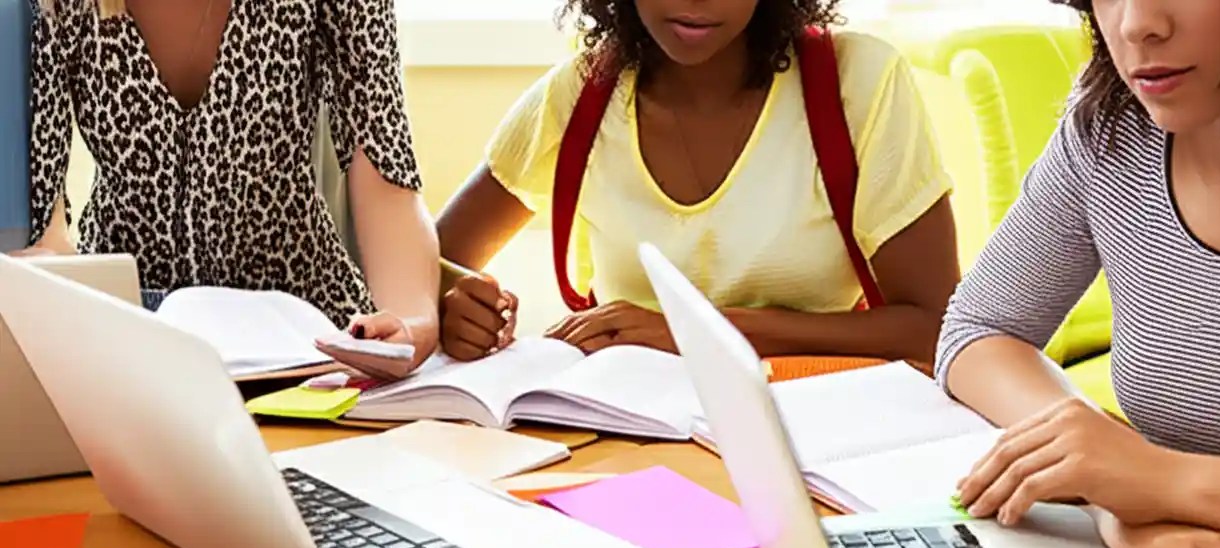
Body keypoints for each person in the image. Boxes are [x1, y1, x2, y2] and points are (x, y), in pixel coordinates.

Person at [938, 0, 1220, 548]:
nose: (1135, 25)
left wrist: (1157, 482)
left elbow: (1150, 477)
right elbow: (981, 329)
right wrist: (1113, 492)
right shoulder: (1112, 135)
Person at [432, 0, 960, 364]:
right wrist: (460, 305)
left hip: (812, 442)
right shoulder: (582, 93)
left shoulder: (857, 81)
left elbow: (936, 326)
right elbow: (421, 267)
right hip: (627, 444)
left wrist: (700, 332)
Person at [18, 0, 441, 373]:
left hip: (309, 346)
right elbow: (44, 231)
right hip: (129, 343)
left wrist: (412, 321)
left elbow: (388, 175)